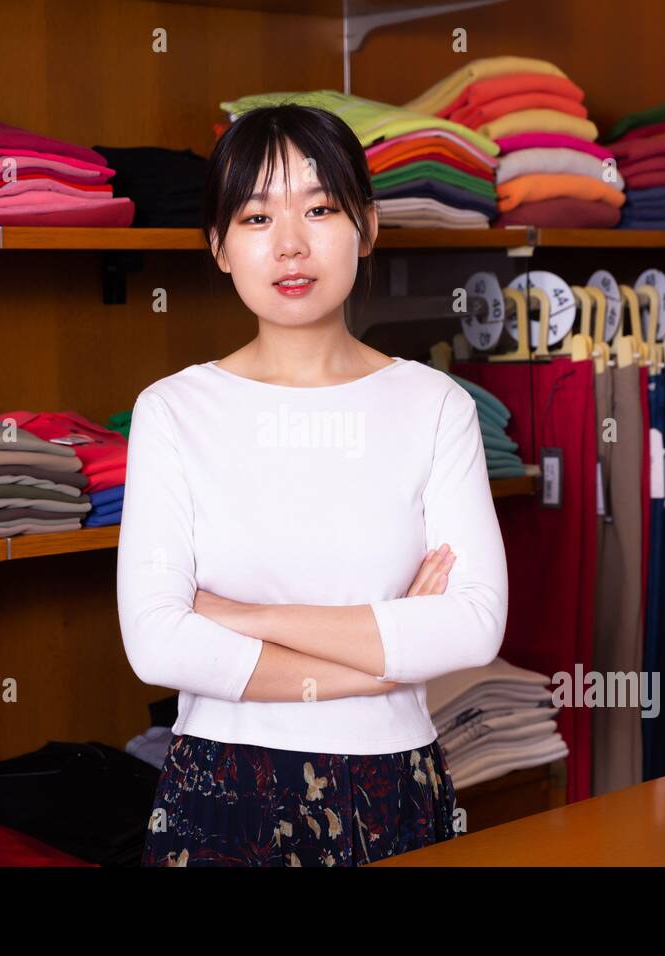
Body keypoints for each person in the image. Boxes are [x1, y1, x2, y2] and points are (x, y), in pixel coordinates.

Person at [117, 104, 509, 866]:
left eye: (320, 209)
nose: (291, 244)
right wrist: (377, 661)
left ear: (366, 226)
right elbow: (158, 643)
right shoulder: (173, 411)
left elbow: (472, 627)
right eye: (257, 216)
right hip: (223, 792)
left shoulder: (435, 407)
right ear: (220, 247)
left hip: (396, 786)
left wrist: (242, 615)